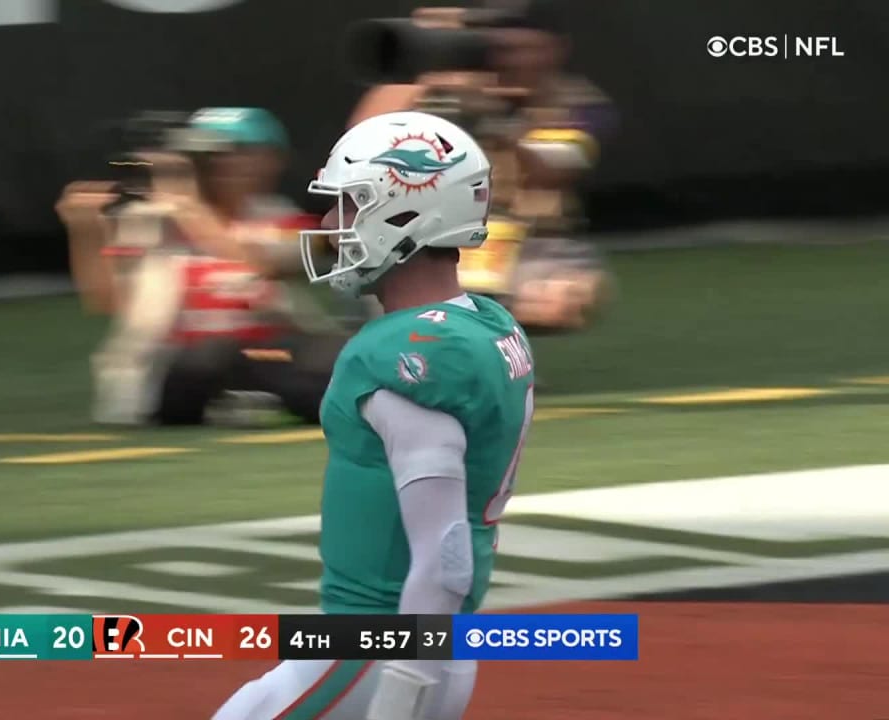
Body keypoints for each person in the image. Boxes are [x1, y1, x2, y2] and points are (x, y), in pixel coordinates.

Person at [211, 110, 534, 720]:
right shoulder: (490, 325)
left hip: (380, 646)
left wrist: (402, 686)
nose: (330, 224)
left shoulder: (405, 353)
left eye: (350, 204)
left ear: (408, 212)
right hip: (437, 645)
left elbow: (445, 553)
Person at [58, 107, 347, 426]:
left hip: (260, 354)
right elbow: (108, 301)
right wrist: (85, 231)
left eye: (236, 154)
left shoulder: (278, 216)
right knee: (212, 356)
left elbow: (265, 261)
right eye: (210, 156)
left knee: (336, 350)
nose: (222, 165)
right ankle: (256, 398)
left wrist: (189, 211)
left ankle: (270, 398)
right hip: (171, 366)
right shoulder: (149, 223)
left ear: (270, 159)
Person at [348, 2, 614, 336]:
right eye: (502, 50)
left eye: (526, 50)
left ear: (556, 50)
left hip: (533, 245)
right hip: (447, 241)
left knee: (568, 297)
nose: (514, 61)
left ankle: (485, 335)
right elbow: (362, 135)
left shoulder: (576, 105)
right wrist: (422, 69)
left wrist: (492, 117)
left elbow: (547, 171)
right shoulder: (443, 93)